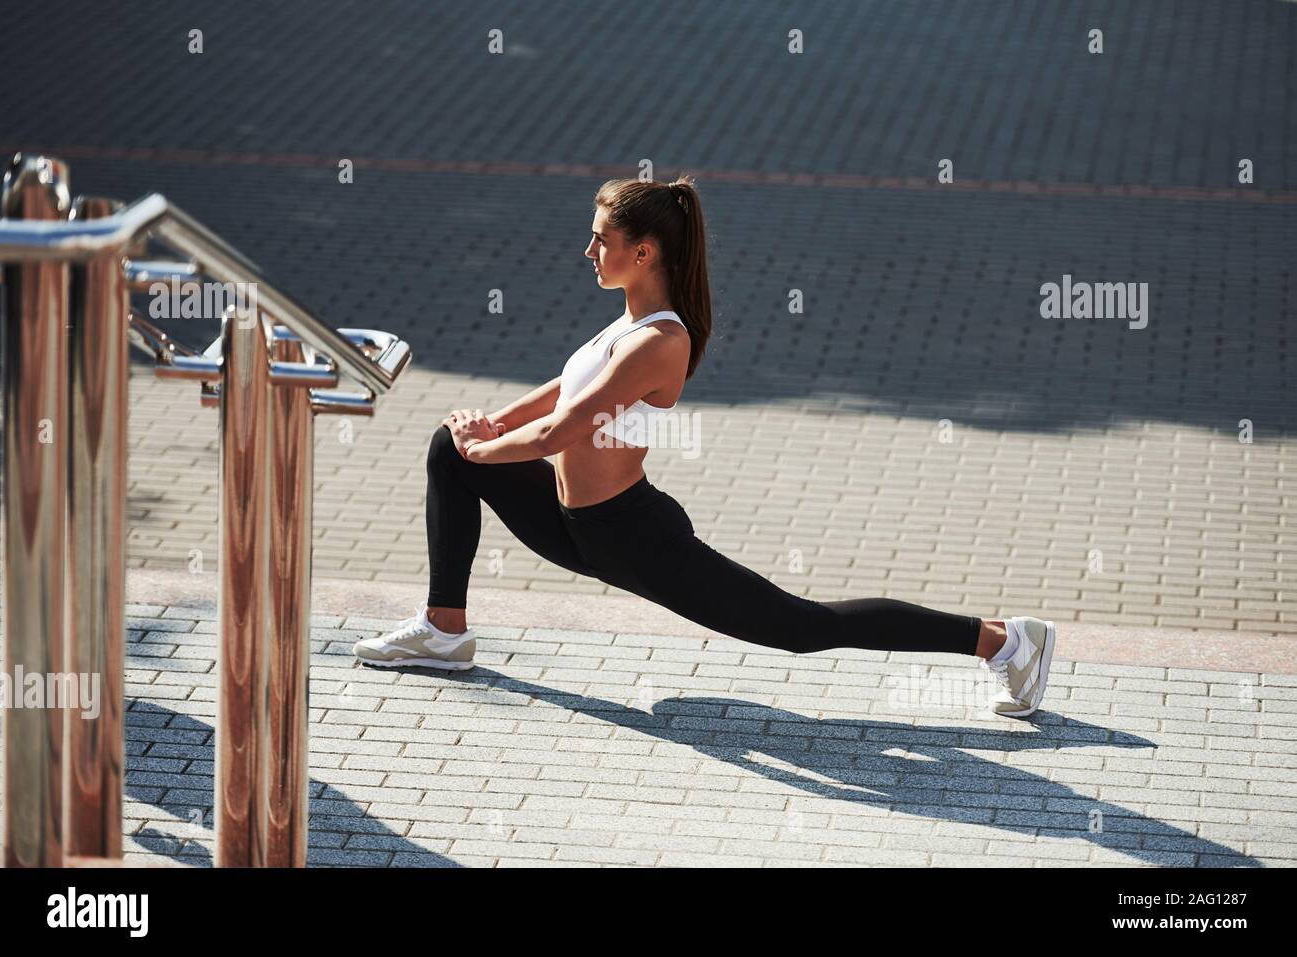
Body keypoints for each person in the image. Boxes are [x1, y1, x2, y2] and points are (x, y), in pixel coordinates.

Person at [354, 175, 1056, 718]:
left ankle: (1002, 641)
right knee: (447, 445)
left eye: (601, 239)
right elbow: (557, 392)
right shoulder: (625, 322)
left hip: (633, 536)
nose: (588, 250)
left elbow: (566, 429)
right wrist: (482, 429)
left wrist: (490, 449)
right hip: (576, 528)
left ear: (644, 251)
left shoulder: (662, 340)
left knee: (802, 626)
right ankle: (444, 630)